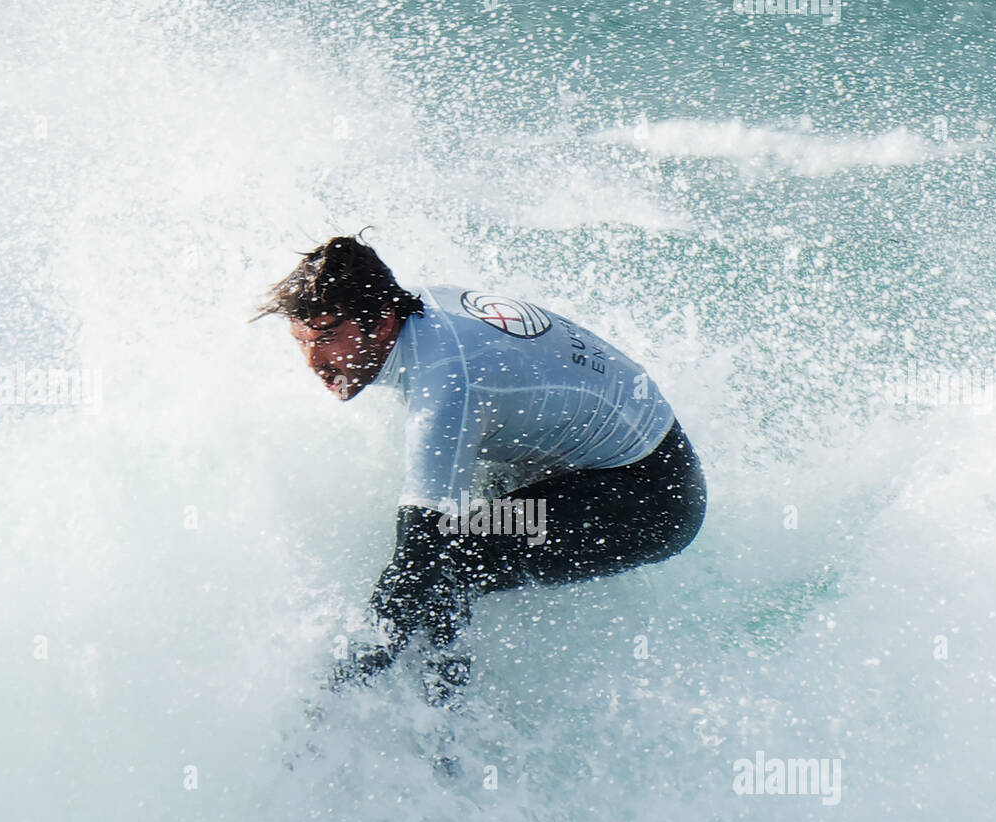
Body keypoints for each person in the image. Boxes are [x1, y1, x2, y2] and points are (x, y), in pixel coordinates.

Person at [252, 234, 707, 706]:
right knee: (450, 545)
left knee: (445, 565)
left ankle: (446, 733)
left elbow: (416, 564)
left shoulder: (445, 383)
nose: (313, 362)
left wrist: (328, 697)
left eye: (327, 338)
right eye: (301, 342)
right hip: (601, 448)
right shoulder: (422, 310)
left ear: (383, 322)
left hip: (649, 497)